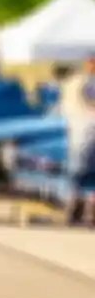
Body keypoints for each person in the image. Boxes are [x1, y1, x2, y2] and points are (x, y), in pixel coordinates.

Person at [60, 58, 95, 225]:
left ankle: (78, 211)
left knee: (78, 173)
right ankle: (82, 211)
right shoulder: (85, 83)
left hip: (80, 131)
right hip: (85, 131)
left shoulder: (75, 82)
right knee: (81, 173)